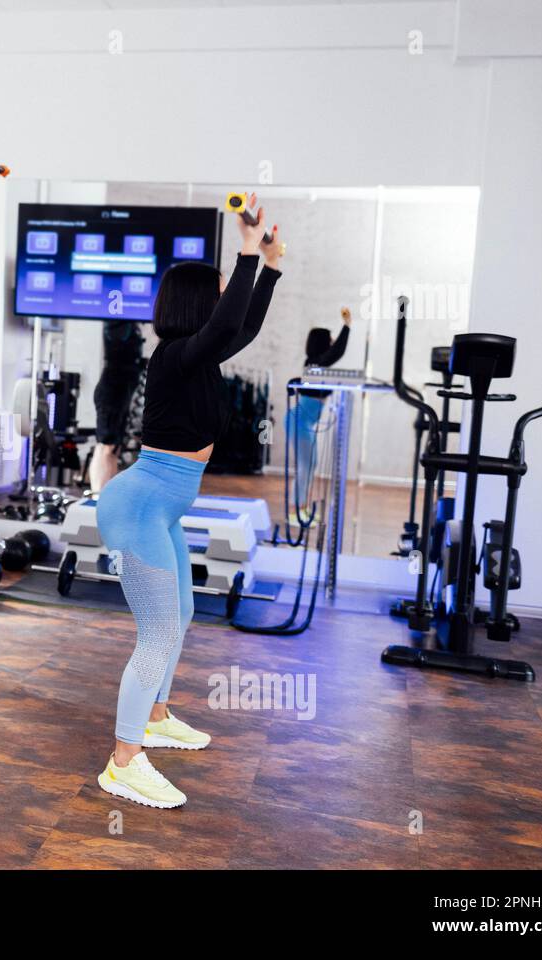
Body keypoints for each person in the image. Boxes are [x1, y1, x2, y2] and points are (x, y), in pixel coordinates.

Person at [95, 194, 283, 809]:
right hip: (141, 505)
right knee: (155, 634)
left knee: (181, 617)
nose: (230, 295)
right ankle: (124, 761)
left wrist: (270, 268)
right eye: (224, 287)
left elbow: (242, 325)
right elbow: (230, 322)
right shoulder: (176, 357)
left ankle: (155, 716)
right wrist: (247, 245)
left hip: (161, 506)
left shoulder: (197, 360)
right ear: (202, 303)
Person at [287, 307, 352, 517]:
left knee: (309, 465)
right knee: (305, 468)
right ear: (323, 343)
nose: (333, 342)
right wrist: (347, 326)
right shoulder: (314, 364)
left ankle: (301, 508)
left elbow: (334, 354)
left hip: (302, 424)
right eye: (330, 339)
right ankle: (295, 511)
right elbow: (337, 352)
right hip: (299, 423)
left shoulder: (316, 365)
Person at [88, 321, 146, 492]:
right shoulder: (117, 323)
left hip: (122, 391)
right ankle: (97, 495)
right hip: (112, 390)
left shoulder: (131, 325)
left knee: (114, 449)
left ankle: (107, 494)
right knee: (106, 446)